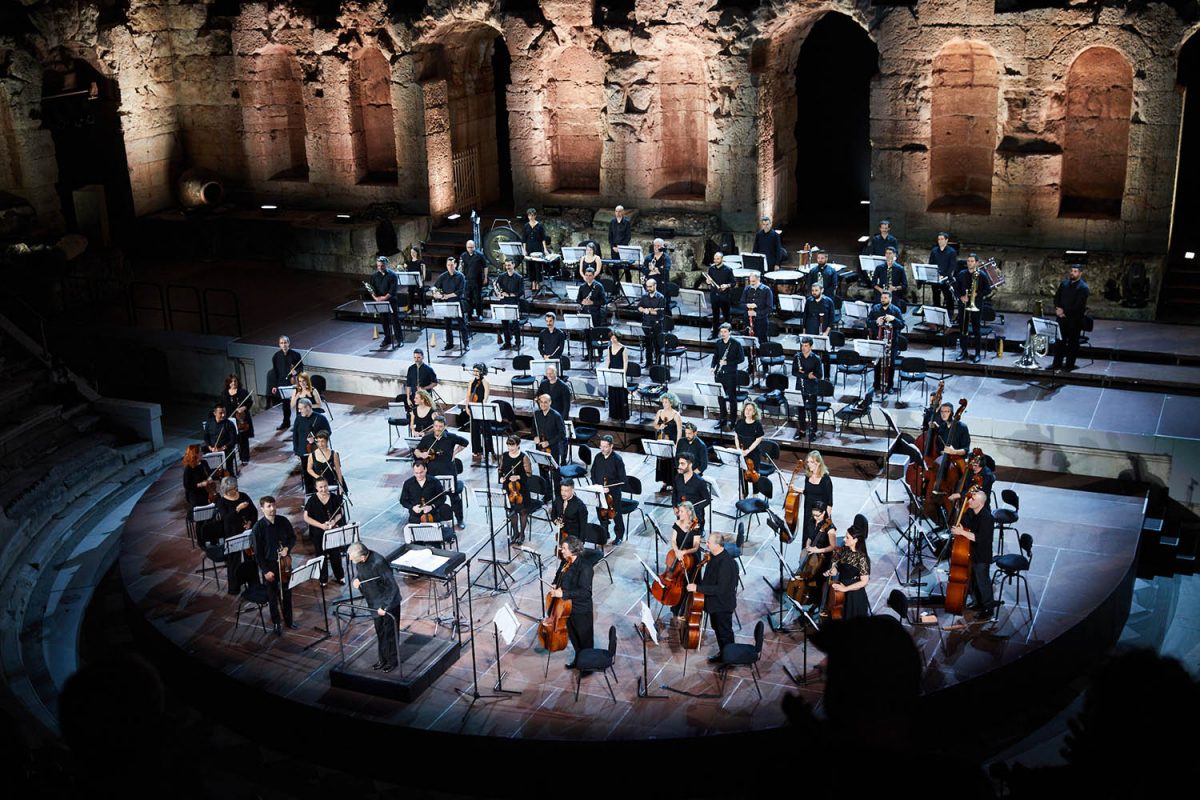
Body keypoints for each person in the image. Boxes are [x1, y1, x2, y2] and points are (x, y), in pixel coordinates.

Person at [348, 543, 403, 673]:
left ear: (362, 556)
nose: (350, 560)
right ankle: (383, 659)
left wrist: (385, 607)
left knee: (390, 634)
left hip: (388, 604)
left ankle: (392, 661)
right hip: (374, 602)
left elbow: (392, 587)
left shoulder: (378, 563)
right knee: (380, 632)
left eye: (352, 557)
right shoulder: (360, 562)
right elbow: (362, 576)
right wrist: (357, 580)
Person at [687, 531, 738, 662]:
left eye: (709, 542)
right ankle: (724, 654)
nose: (707, 543)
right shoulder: (714, 556)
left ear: (717, 545)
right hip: (714, 604)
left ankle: (730, 658)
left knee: (725, 633)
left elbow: (720, 589)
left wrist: (697, 588)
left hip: (722, 605)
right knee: (718, 630)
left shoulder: (726, 563)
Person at [413, 416, 468, 530]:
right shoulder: (427, 439)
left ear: (444, 427)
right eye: (436, 426)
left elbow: (465, 442)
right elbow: (416, 450)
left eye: (440, 427)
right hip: (432, 474)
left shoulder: (451, 437)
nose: (438, 429)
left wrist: (455, 452)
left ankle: (460, 519)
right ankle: (433, 519)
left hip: (448, 473)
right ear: (433, 426)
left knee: (454, 497)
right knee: (430, 497)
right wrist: (421, 455)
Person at [253, 495, 297, 635]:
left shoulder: (283, 521)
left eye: (273, 505)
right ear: (262, 508)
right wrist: (265, 571)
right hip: (269, 566)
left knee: (287, 593)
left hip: (284, 564)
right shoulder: (258, 528)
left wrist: (287, 549)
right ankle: (276, 623)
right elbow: (258, 553)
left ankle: (289, 621)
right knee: (272, 596)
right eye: (268, 506)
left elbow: (292, 538)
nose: (272, 509)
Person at [950, 488, 994, 620]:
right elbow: (966, 525)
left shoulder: (987, 518)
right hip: (971, 552)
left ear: (980, 503)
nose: (969, 500)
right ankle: (977, 602)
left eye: (972, 499)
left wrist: (962, 533)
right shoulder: (971, 512)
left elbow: (979, 538)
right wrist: (961, 528)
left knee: (983, 582)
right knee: (973, 581)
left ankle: (988, 607)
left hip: (981, 556)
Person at [550, 535, 594, 667]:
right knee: (574, 637)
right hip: (566, 608)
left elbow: (585, 592)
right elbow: (558, 576)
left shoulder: (585, 568)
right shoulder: (565, 562)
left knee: (584, 639)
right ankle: (578, 660)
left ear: (573, 550)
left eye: (564, 548)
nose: (561, 551)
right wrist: (555, 584)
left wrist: (563, 593)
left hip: (580, 609)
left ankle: (588, 666)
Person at [213, 475, 258, 592]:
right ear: (226, 490)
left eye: (236, 488)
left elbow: (254, 511)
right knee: (233, 561)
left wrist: (250, 522)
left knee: (251, 559)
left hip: (247, 531)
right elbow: (227, 519)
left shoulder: (243, 496)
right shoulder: (222, 502)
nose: (235, 491)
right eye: (232, 489)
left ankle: (254, 584)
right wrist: (238, 508)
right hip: (233, 534)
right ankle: (234, 587)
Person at [303, 477, 346, 584]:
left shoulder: (334, 498)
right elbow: (306, 517)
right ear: (316, 488)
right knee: (321, 556)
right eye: (320, 487)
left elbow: (341, 512)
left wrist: (334, 521)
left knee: (335, 555)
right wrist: (321, 526)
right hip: (318, 532)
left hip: (332, 531)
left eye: (325, 486)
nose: (323, 489)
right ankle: (323, 579)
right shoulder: (312, 500)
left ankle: (340, 576)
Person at [826, 517, 870, 620]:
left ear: (855, 540)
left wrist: (845, 589)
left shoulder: (861, 557)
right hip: (841, 591)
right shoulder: (845, 550)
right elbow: (840, 568)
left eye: (847, 537)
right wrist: (834, 571)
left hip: (854, 595)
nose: (844, 539)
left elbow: (864, 581)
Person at [400, 460, 454, 543]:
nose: (419, 475)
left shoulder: (434, 481)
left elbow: (442, 498)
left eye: (421, 472)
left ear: (425, 469)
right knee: (417, 543)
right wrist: (412, 507)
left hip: (433, 515)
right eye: (416, 473)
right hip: (415, 518)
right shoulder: (408, 483)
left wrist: (432, 506)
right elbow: (403, 501)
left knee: (435, 541)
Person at [1051, 263, 1089, 372]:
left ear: (1080, 273)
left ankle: (1069, 365)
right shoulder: (1064, 283)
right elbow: (1057, 297)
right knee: (1059, 342)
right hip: (1061, 319)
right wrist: (1057, 309)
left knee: (1072, 343)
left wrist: (1065, 312)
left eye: (1075, 271)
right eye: (1072, 270)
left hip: (1074, 320)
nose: (1072, 273)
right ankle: (1056, 364)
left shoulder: (1083, 288)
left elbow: (1079, 305)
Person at [955, 253, 992, 363]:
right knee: (963, 329)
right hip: (964, 305)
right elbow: (956, 289)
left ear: (976, 263)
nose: (969, 263)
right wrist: (961, 297)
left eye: (972, 261)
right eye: (968, 261)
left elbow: (988, 290)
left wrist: (977, 294)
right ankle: (963, 351)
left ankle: (977, 353)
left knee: (976, 329)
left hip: (977, 304)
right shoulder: (961, 274)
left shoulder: (982, 275)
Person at [801, 500, 837, 614]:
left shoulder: (830, 528)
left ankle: (818, 603)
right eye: (814, 515)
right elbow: (810, 537)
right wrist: (807, 546)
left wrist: (817, 550)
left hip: (823, 557)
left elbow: (832, 546)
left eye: (818, 515)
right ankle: (808, 597)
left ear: (824, 513)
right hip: (812, 554)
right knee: (808, 575)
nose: (815, 518)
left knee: (819, 582)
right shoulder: (812, 521)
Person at [668, 502, 703, 617]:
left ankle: (690, 608)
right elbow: (673, 540)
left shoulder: (695, 526)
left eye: (681, 511)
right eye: (679, 510)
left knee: (690, 584)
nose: (679, 513)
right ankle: (677, 605)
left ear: (688, 512)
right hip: (679, 555)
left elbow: (696, 547)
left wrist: (684, 552)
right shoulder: (677, 523)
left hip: (691, 558)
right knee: (678, 581)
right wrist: (677, 551)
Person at [590, 435, 627, 544]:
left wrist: (609, 488)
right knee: (601, 514)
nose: (602, 449)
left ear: (611, 446)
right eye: (601, 446)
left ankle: (619, 536)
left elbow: (622, 479)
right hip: (600, 491)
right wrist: (596, 485)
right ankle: (604, 534)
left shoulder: (617, 460)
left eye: (605, 447)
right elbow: (593, 473)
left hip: (613, 493)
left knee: (616, 515)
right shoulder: (598, 457)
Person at [498, 436, 535, 544]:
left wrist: (518, 477)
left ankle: (522, 534)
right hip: (508, 488)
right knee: (512, 512)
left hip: (521, 489)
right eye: (508, 445)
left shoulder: (524, 457)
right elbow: (500, 470)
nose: (510, 447)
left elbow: (528, 474)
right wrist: (500, 477)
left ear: (518, 445)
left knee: (523, 512)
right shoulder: (504, 456)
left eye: (512, 445)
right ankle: (515, 533)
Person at [868, 289, 905, 392]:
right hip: (878, 340)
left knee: (890, 364)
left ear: (890, 299)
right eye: (882, 298)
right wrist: (876, 322)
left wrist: (894, 319)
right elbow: (868, 322)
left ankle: (889, 386)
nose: (883, 300)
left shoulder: (896, 310)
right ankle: (876, 385)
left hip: (892, 342)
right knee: (877, 363)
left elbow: (902, 324)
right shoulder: (875, 308)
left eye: (885, 298)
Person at [432, 256, 470, 351]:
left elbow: (459, 292)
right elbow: (435, 287)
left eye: (452, 265)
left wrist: (446, 296)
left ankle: (466, 344)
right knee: (447, 325)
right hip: (446, 304)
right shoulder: (443, 276)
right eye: (448, 265)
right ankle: (449, 343)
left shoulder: (460, 276)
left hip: (457, 302)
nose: (450, 267)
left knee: (462, 325)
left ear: (456, 265)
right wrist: (435, 294)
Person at [711, 323, 744, 430]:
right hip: (719, 374)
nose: (723, 334)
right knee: (721, 398)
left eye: (725, 332)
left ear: (730, 332)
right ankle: (722, 419)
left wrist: (728, 362)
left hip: (731, 374)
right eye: (721, 332)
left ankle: (733, 420)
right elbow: (715, 356)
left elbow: (741, 359)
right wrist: (712, 367)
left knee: (731, 398)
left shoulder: (736, 344)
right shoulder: (718, 343)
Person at [930, 402, 971, 488]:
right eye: (942, 411)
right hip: (944, 459)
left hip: (958, 460)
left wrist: (954, 451)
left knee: (961, 482)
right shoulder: (942, 426)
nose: (943, 414)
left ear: (952, 413)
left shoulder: (962, 427)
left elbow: (966, 449)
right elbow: (939, 445)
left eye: (946, 411)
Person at [797, 450, 833, 545]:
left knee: (818, 540)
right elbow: (808, 492)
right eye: (808, 462)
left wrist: (826, 520)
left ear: (818, 463)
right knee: (807, 536)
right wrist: (796, 489)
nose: (809, 464)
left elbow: (829, 503)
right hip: (808, 511)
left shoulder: (825, 479)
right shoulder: (807, 476)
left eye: (811, 462)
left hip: (820, 514)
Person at [532, 393, 566, 485]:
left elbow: (562, 434)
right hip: (540, 448)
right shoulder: (537, 414)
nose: (543, 404)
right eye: (541, 402)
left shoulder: (556, 416)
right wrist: (535, 437)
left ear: (550, 402)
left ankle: (558, 496)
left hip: (553, 448)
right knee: (542, 472)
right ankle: (547, 494)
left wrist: (549, 442)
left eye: (545, 402)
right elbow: (533, 430)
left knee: (555, 473)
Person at [219, 374, 254, 465]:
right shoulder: (224, 394)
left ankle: (245, 458)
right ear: (228, 383)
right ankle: (232, 459)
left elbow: (250, 402)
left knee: (243, 439)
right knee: (231, 439)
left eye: (235, 381)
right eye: (231, 381)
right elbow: (222, 406)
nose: (233, 383)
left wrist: (244, 408)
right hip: (230, 419)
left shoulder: (243, 392)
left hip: (242, 418)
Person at [270, 335, 302, 431]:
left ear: (289, 343)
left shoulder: (296, 355)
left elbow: (301, 368)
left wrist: (296, 371)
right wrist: (274, 386)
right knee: (285, 404)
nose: (284, 345)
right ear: (279, 345)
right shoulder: (276, 356)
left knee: (297, 404)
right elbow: (275, 372)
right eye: (281, 343)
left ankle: (298, 423)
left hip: (293, 383)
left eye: (285, 343)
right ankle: (286, 422)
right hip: (282, 383)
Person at [734, 401, 766, 496]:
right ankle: (745, 492)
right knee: (743, 473)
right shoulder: (739, 422)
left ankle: (755, 493)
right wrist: (738, 450)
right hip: (742, 452)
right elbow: (736, 436)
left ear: (754, 412)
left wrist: (748, 450)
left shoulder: (757, 425)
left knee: (754, 473)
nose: (748, 411)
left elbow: (758, 439)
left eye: (750, 410)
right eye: (746, 409)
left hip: (753, 453)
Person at [653, 392, 683, 493]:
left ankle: (672, 483)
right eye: (663, 402)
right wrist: (659, 427)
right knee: (663, 462)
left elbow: (679, 431)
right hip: (662, 439)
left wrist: (677, 443)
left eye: (666, 402)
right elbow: (655, 425)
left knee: (671, 462)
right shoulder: (660, 412)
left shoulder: (676, 415)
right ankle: (665, 481)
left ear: (671, 403)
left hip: (672, 439)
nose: (664, 404)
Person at [368, 255, 400, 350]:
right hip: (380, 301)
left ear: (386, 265)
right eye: (378, 266)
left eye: (382, 265)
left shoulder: (392, 275)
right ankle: (387, 338)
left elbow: (392, 290)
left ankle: (399, 339)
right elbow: (371, 289)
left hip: (391, 301)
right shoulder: (374, 276)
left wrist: (382, 298)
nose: (380, 267)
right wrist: (375, 298)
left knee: (395, 321)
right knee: (384, 320)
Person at [794, 337, 824, 439]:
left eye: (806, 346)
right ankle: (802, 430)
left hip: (812, 388)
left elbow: (819, 375)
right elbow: (794, 372)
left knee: (812, 410)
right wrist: (807, 375)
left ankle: (813, 432)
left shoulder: (816, 358)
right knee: (801, 410)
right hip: (800, 386)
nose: (803, 348)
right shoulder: (797, 357)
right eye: (802, 345)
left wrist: (804, 374)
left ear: (811, 346)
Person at [672, 454, 710, 533]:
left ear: (690, 464)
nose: (679, 466)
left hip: (695, 517)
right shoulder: (677, 477)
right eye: (679, 463)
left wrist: (692, 509)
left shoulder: (700, 482)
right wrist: (674, 506)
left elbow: (707, 499)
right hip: (681, 514)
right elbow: (674, 493)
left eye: (682, 464)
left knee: (692, 538)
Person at [465, 363, 493, 465]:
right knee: (474, 431)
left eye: (477, 371)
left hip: (481, 408)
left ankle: (489, 450)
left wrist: (481, 406)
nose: (475, 373)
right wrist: (467, 406)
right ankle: (476, 450)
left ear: (482, 372)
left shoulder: (485, 383)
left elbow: (485, 397)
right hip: (473, 407)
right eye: (474, 371)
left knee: (486, 430)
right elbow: (468, 395)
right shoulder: (471, 382)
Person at [637, 278, 668, 368]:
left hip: (656, 324)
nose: (648, 288)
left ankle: (658, 364)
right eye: (647, 286)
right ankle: (648, 363)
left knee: (657, 345)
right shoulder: (644, 296)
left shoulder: (661, 297)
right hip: (646, 323)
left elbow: (660, 312)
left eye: (650, 286)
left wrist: (649, 311)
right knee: (648, 345)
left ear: (655, 286)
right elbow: (639, 307)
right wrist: (645, 309)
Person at [494, 259, 524, 349]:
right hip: (503, 302)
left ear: (513, 265)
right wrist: (498, 293)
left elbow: (521, 291)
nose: (507, 267)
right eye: (506, 265)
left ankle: (517, 343)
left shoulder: (519, 277)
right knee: (505, 324)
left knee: (515, 325)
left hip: (514, 302)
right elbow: (497, 287)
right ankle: (507, 343)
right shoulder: (502, 276)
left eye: (509, 265)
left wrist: (510, 294)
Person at [305, 430, 346, 495]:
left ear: (327, 441)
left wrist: (341, 485)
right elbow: (309, 469)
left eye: (322, 441)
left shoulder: (334, 454)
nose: (320, 444)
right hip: (319, 484)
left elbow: (338, 470)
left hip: (332, 481)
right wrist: (317, 477)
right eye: (318, 441)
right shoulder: (312, 455)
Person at [292, 398, 330, 468]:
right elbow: (295, 435)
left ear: (308, 407)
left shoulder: (321, 418)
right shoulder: (298, 418)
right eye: (298, 408)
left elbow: (328, 432)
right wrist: (296, 451)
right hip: (302, 451)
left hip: (317, 451)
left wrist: (316, 438)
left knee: (318, 472)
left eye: (301, 409)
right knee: (306, 473)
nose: (299, 411)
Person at [576, 267, 608, 350]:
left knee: (597, 334)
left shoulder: (598, 286)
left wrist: (592, 302)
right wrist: (582, 302)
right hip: (585, 313)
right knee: (587, 334)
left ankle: (600, 354)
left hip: (596, 314)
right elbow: (578, 300)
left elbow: (604, 301)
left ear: (593, 276)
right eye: (586, 275)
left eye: (590, 275)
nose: (588, 277)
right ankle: (589, 353)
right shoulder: (582, 287)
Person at [203, 402, 239, 475]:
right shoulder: (209, 423)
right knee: (209, 468)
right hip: (212, 449)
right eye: (220, 413)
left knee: (229, 469)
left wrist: (221, 449)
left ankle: (230, 476)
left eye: (224, 412)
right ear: (214, 413)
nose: (223, 415)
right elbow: (206, 437)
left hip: (225, 449)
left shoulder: (229, 424)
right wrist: (210, 447)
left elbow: (233, 440)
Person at [521, 207, 551, 293]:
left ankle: (538, 283)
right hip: (529, 248)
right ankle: (532, 283)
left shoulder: (540, 225)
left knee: (537, 266)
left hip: (538, 247)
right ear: (528, 216)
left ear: (535, 216)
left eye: (533, 215)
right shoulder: (526, 226)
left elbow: (543, 238)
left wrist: (545, 249)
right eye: (530, 215)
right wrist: (524, 250)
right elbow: (524, 239)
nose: (531, 217)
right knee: (530, 266)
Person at [740, 270, 773, 346]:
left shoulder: (766, 290)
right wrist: (747, 305)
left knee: (762, 342)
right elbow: (741, 303)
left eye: (754, 281)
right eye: (750, 281)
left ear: (759, 280)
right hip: (747, 320)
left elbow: (770, 308)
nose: (751, 283)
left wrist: (756, 313)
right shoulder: (747, 289)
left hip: (761, 321)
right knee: (748, 342)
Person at [707, 251, 735, 338]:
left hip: (724, 296)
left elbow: (733, 283)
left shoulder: (728, 270)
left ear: (722, 259)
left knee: (726, 316)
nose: (715, 260)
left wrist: (726, 285)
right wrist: (708, 281)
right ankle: (714, 333)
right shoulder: (711, 269)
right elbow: (709, 280)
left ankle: (727, 334)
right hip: (714, 295)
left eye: (718, 259)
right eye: (715, 258)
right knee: (715, 316)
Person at [402, 349, 438, 417]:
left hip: (425, 397)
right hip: (414, 397)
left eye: (418, 357)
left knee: (426, 415)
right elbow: (408, 384)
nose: (416, 359)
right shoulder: (411, 368)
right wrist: (408, 398)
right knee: (414, 415)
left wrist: (424, 388)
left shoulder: (428, 369)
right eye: (415, 357)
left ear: (423, 357)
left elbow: (435, 382)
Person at [181, 444, 213, 517]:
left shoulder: (204, 463)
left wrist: (210, 478)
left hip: (206, 490)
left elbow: (210, 474)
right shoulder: (188, 468)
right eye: (200, 451)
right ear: (195, 454)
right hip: (195, 494)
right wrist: (200, 484)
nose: (202, 453)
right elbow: (187, 485)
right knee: (201, 515)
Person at [929, 232, 958, 312]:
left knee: (948, 297)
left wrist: (944, 275)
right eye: (939, 239)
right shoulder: (934, 251)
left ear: (946, 240)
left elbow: (952, 266)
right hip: (935, 277)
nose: (940, 241)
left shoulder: (952, 252)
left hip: (946, 278)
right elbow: (931, 263)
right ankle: (936, 315)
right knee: (935, 297)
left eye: (942, 239)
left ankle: (949, 314)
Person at [459, 239, 487, 321]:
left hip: (477, 280)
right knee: (468, 298)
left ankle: (479, 314)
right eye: (468, 247)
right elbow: (461, 267)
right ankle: (469, 314)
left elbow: (485, 266)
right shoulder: (463, 256)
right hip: (467, 280)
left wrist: (485, 277)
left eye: (471, 247)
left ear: (474, 247)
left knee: (478, 298)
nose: (470, 249)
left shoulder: (479, 255)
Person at [604, 330, 629, 421]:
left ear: (617, 338)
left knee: (620, 394)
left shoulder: (623, 348)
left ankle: (622, 415)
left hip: (620, 373)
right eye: (611, 338)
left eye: (614, 338)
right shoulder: (609, 348)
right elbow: (608, 360)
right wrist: (606, 371)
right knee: (612, 393)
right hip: (612, 373)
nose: (613, 340)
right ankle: (613, 414)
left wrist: (623, 374)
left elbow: (625, 362)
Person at [403, 244, 427, 313]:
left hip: (418, 281)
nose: (412, 254)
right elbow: (405, 272)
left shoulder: (421, 262)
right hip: (411, 281)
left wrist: (421, 282)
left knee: (421, 293)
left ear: (417, 253)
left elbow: (423, 273)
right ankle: (411, 308)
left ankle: (424, 308)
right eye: (411, 252)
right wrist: (403, 267)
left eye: (414, 252)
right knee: (410, 294)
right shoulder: (408, 262)